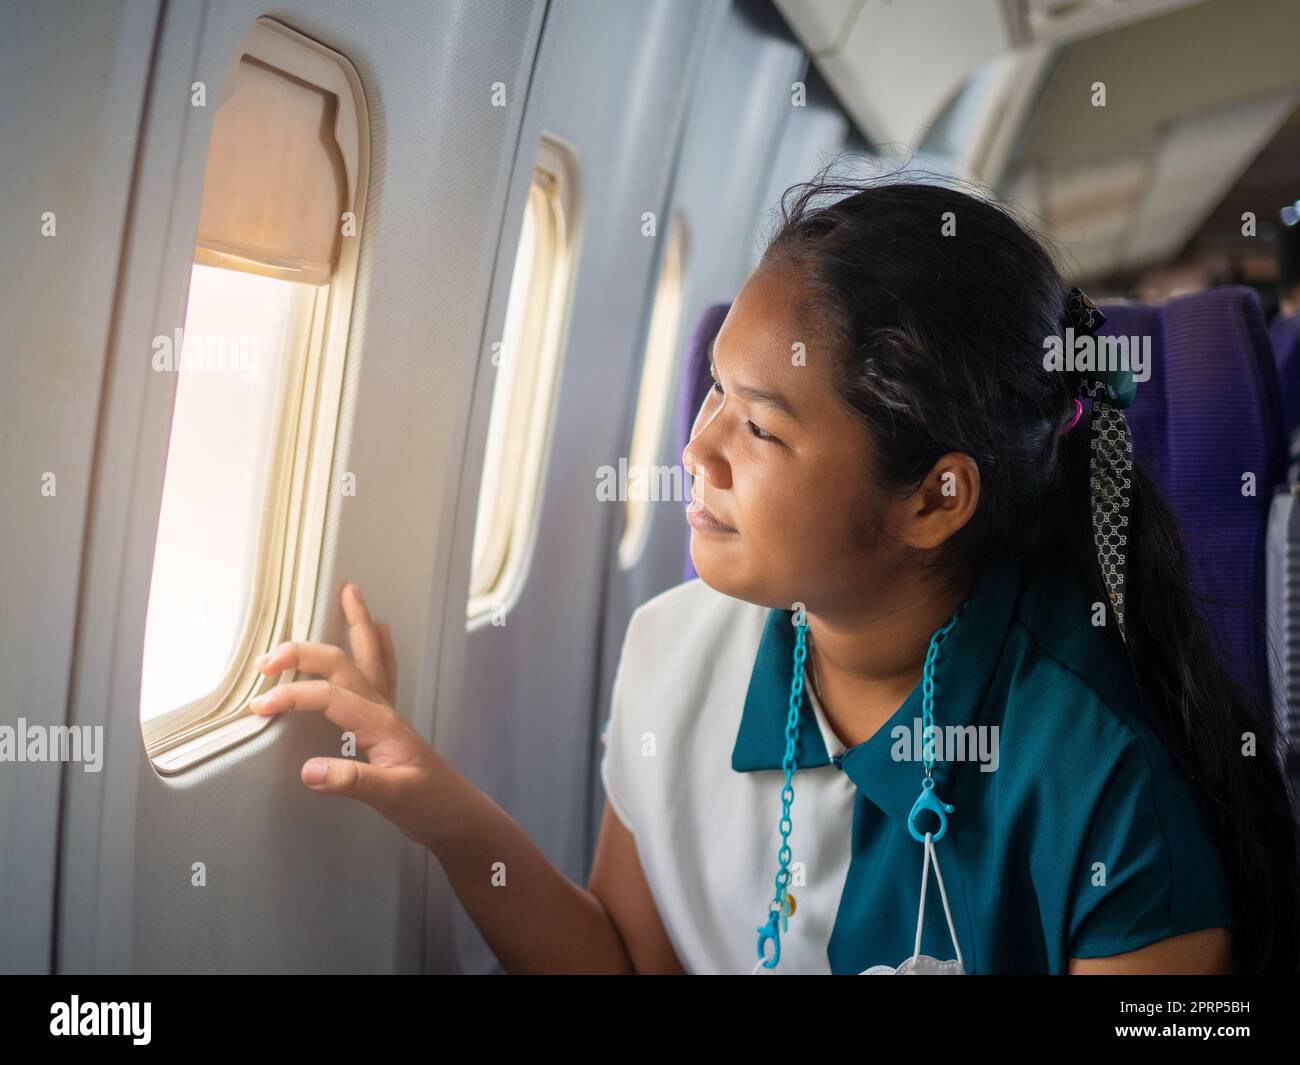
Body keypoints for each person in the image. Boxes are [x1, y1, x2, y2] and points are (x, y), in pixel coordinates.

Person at [247, 165, 1300, 974]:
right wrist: (439, 806)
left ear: (933, 498)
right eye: (712, 391)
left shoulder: (1111, 783)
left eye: (757, 424)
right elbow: (628, 964)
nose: (696, 450)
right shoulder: (673, 650)